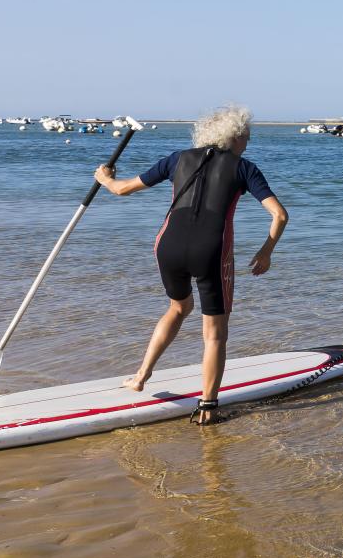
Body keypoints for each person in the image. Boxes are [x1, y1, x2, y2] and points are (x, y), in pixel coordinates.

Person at [95, 104, 287, 424]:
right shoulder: (244, 168)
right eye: (247, 137)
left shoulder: (177, 159)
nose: (248, 143)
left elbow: (122, 189)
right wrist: (266, 251)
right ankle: (208, 406)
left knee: (177, 308)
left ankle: (141, 376)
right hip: (210, 250)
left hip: (167, 245)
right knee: (214, 333)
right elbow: (280, 215)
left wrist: (104, 178)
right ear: (235, 136)